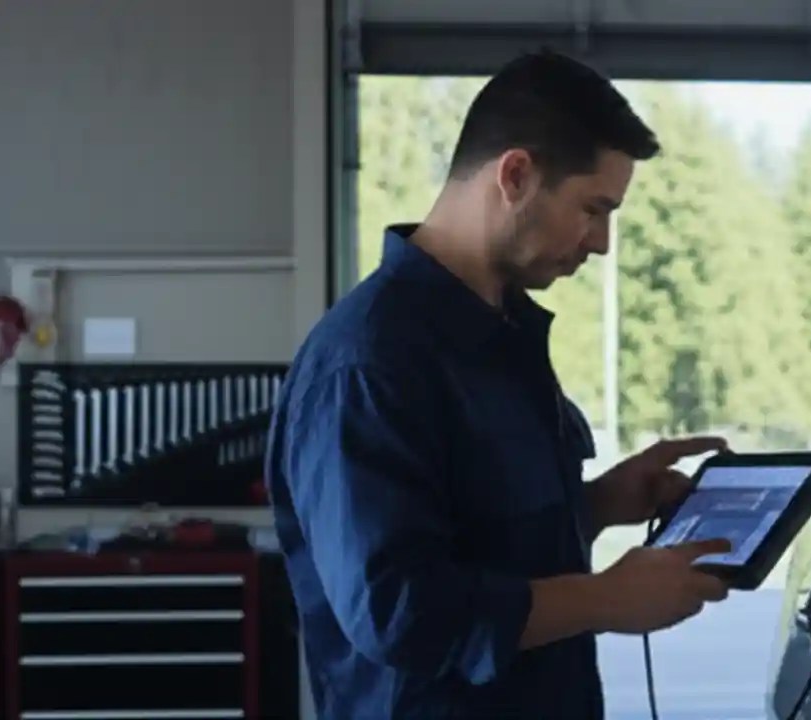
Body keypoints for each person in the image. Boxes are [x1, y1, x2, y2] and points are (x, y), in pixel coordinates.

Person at [265, 49, 733, 719]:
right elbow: (400, 610)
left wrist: (598, 503)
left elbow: (477, 537)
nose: (601, 242)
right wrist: (608, 598)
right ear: (515, 175)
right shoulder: (368, 363)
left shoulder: (501, 337)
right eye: (593, 209)